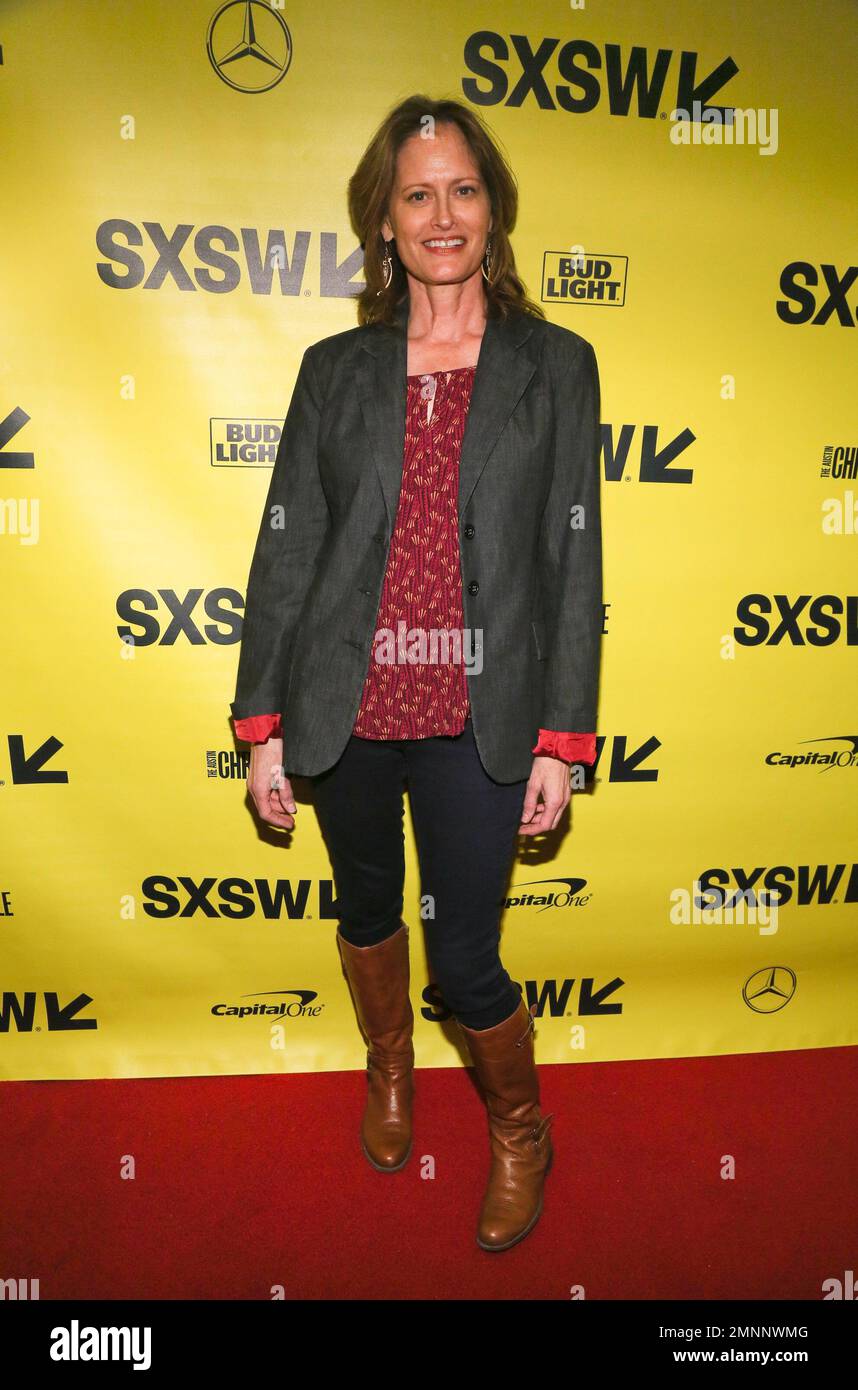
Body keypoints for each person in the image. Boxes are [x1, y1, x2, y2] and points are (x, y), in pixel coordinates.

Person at [230, 95, 603, 1253]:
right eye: (418, 194)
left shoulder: (557, 364)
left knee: (469, 956)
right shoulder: (335, 370)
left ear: (494, 210)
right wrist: (262, 724)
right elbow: (289, 547)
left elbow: (572, 557)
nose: (443, 214)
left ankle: (520, 1130)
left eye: (464, 189)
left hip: (479, 712)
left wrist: (563, 737)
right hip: (349, 699)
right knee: (366, 909)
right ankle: (389, 1064)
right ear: (384, 222)